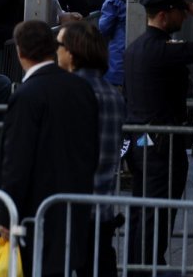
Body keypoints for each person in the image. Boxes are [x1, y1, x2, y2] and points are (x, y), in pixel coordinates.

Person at [124, 0, 193, 267]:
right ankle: (148, 265)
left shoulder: (135, 49)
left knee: (142, 211)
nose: (184, 17)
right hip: (162, 147)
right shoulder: (162, 50)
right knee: (158, 213)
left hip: (141, 141)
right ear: (165, 15)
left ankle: (140, 264)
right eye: (181, 11)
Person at [0, 20, 97, 277]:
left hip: (32, 214)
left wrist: (6, 215)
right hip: (73, 207)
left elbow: (16, 161)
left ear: (19, 52)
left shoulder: (27, 95)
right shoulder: (81, 88)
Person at [56, 21, 125, 277]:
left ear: (72, 53)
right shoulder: (113, 95)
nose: (56, 50)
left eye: (59, 45)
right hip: (101, 208)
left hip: (68, 209)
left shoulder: (69, 93)